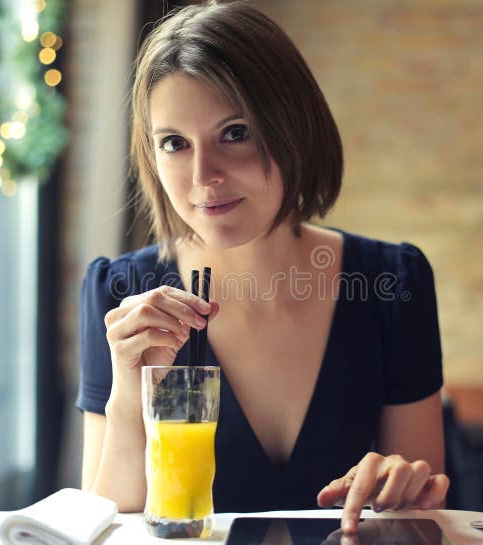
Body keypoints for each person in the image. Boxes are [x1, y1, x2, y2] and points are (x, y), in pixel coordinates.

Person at [76, 0, 449, 534]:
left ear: (293, 125)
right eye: (175, 143)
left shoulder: (393, 283)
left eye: (235, 132)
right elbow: (108, 526)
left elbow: (422, 508)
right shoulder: (121, 293)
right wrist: (130, 397)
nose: (204, 175)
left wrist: (400, 483)